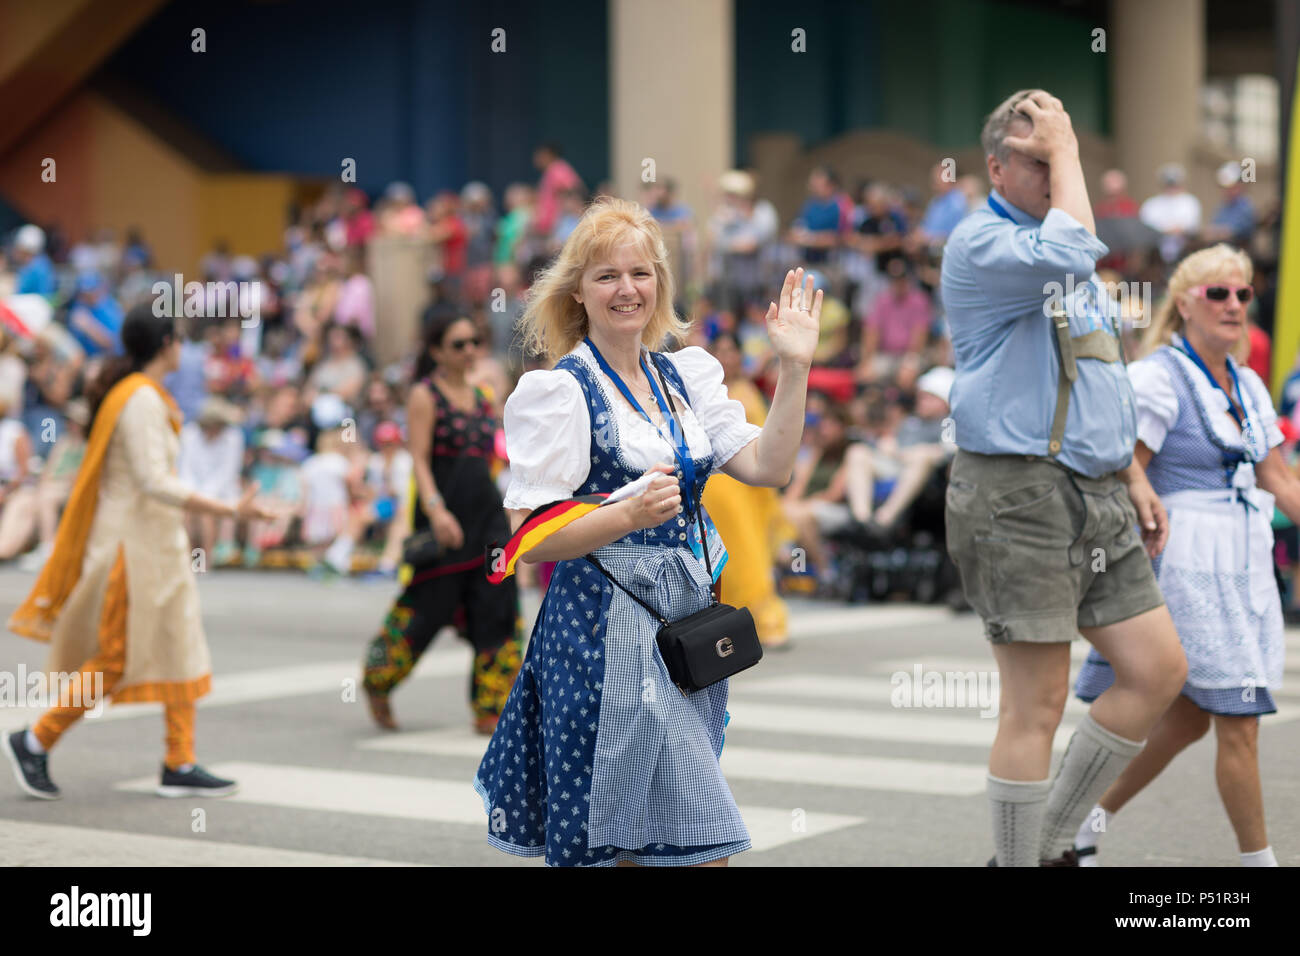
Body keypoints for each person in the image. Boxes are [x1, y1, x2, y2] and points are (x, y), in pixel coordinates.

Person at [473, 197, 820, 867]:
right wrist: (626, 514)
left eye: (640, 273)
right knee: (670, 842)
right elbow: (530, 539)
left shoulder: (684, 377)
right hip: (602, 637)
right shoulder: (561, 391)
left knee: (650, 841)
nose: (626, 289)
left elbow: (769, 467)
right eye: (606, 276)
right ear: (578, 290)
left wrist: (795, 369)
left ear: (659, 283)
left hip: (682, 629)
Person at [942, 90, 1188, 867]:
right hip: (1016, 494)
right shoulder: (982, 241)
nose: (1054, 170)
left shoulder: (1060, 245)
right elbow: (1077, 247)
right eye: (1038, 158)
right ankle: (1023, 863)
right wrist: (1074, 149)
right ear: (995, 168)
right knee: (1037, 704)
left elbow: (1100, 374)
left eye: (1059, 155)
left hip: (1096, 489)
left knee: (1158, 671)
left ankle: (1042, 849)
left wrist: (1130, 474)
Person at [1072, 245, 1297, 867]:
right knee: (1239, 719)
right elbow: (1125, 476)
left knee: (1188, 720)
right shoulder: (1158, 375)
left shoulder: (1248, 384)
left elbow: (1280, 481)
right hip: (1185, 562)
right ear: (1184, 302)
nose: (1233, 304)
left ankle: (1081, 823)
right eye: (1217, 293)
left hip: (1242, 563)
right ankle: (1260, 866)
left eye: (1243, 294)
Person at [4, 304, 277, 800]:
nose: (185, 348)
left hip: (156, 549)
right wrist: (229, 509)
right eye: (180, 339)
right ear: (167, 342)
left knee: (182, 646)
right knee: (115, 658)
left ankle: (180, 760)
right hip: (134, 553)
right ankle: (35, 738)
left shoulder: (139, 394)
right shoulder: (140, 400)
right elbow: (154, 481)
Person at [361, 314, 524, 734]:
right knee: (425, 608)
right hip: (445, 520)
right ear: (436, 351)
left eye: (474, 342)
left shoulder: (483, 394)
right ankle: (378, 679)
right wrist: (436, 511)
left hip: (487, 517)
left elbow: (491, 458)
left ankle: (492, 705)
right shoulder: (425, 395)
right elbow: (417, 457)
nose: (469, 350)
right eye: (458, 344)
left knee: (499, 604)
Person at [700, 332, 790, 649]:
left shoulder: (747, 392)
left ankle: (768, 622)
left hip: (744, 494)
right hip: (712, 492)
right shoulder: (703, 393)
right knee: (721, 562)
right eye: (719, 350)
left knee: (750, 556)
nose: (725, 356)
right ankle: (729, 627)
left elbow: (767, 442)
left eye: (730, 350)